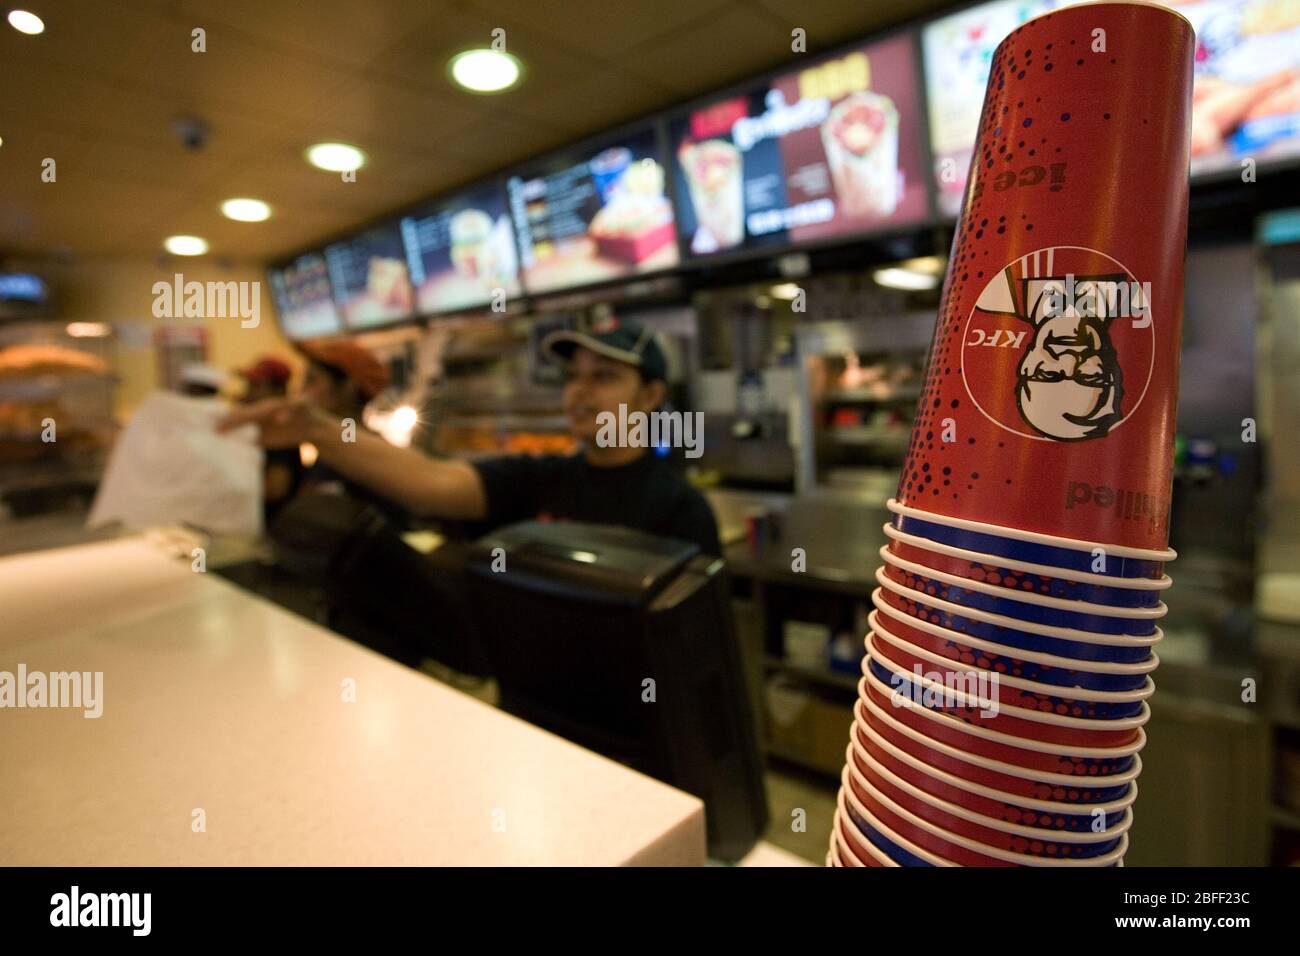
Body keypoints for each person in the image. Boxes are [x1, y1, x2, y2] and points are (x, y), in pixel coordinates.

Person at [218, 323, 720, 555]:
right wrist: (315, 430)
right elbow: (429, 480)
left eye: (604, 377)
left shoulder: (678, 508)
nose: (580, 393)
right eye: (574, 376)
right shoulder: (537, 479)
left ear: (651, 395)